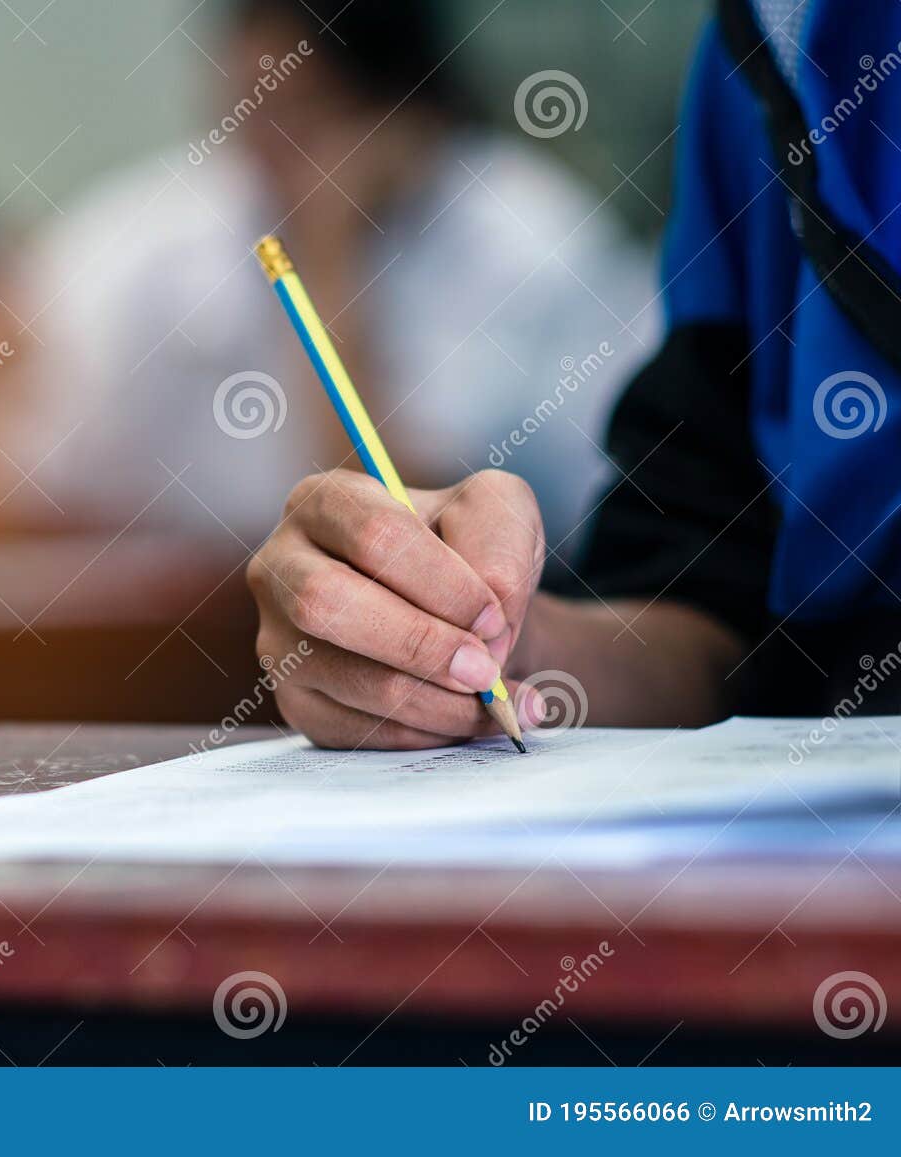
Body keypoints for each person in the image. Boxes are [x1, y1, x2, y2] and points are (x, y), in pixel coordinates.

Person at [248, 0, 901, 748]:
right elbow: (710, 607)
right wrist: (497, 641)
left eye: (309, 110)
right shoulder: (769, 53)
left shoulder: (524, 239)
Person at [0, 0, 654, 565]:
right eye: (249, 108)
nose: (268, 150)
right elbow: (7, 489)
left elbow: (409, 542)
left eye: (305, 111)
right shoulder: (153, 230)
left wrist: (331, 259)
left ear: (406, 112)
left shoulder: (530, 244)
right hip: (189, 636)